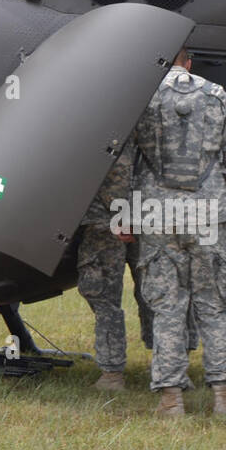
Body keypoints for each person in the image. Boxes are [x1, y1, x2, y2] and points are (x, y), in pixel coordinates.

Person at [116, 47, 226, 417]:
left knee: (165, 307)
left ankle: (171, 401)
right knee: (215, 307)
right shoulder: (216, 95)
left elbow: (120, 159)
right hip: (208, 213)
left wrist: (121, 212)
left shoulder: (139, 96)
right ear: (189, 62)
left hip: (155, 213)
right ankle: (224, 399)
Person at [77, 143, 146, 391]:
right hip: (145, 213)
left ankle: (112, 374)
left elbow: (118, 168)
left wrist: (120, 212)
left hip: (107, 222)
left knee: (104, 296)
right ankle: (170, 368)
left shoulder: (112, 113)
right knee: (156, 294)